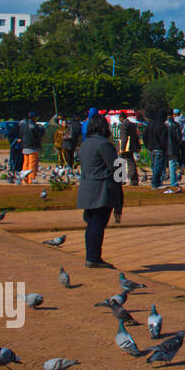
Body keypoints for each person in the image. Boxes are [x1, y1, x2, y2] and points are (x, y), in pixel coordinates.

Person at [76, 113, 123, 268]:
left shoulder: (86, 143)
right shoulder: (104, 144)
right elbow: (116, 168)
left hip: (87, 186)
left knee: (91, 224)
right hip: (101, 188)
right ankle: (94, 257)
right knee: (97, 224)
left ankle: (92, 255)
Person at [144, 110, 169, 190]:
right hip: (159, 149)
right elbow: (164, 140)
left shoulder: (150, 124)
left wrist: (147, 145)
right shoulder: (162, 126)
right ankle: (155, 184)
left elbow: (144, 135)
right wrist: (164, 147)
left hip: (151, 148)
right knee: (158, 167)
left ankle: (156, 183)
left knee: (154, 166)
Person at [18, 111, 44, 184]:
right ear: (34, 117)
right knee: (32, 164)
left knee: (25, 163)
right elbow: (39, 134)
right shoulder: (34, 125)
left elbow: (20, 134)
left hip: (24, 146)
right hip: (33, 146)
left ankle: (24, 179)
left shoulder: (23, 125)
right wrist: (42, 130)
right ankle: (31, 179)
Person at [163, 111, 183, 191]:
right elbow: (179, 137)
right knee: (172, 166)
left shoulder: (163, 124)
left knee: (162, 165)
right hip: (173, 148)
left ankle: (160, 180)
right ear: (172, 115)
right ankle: (173, 182)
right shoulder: (175, 124)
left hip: (164, 147)